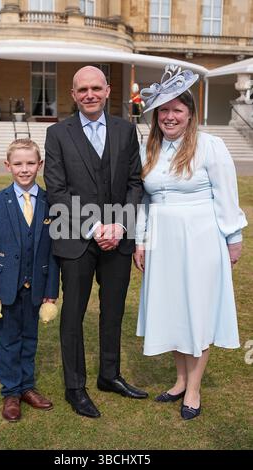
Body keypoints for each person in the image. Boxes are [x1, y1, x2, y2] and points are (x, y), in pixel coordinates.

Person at [134, 64, 248, 420]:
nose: (169, 116)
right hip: (162, 241)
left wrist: (234, 238)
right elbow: (144, 200)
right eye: (164, 110)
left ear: (189, 113)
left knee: (197, 309)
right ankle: (180, 379)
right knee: (174, 308)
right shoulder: (148, 148)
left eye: (177, 110)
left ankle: (194, 389)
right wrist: (140, 240)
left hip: (201, 240)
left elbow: (227, 195)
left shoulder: (210, 146)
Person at [44, 65, 148, 418]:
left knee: (113, 310)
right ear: (73, 95)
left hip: (117, 238)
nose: (89, 94)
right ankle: (75, 387)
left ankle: (109, 374)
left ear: (107, 90)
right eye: (82, 89)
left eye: (96, 88)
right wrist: (94, 228)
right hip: (74, 237)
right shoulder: (57, 134)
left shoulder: (125, 130)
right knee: (72, 314)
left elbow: (135, 182)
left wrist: (118, 226)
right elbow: (56, 191)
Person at [0, 138, 60, 422]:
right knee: (7, 341)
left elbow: (53, 252)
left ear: (40, 165)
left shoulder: (51, 202)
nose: (24, 169)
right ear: (7, 166)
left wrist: (51, 292)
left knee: (30, 339)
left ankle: (27, 387)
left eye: (30, 163)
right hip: (5, 288)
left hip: (36, 286)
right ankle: (11, 392)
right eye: (18, 164)